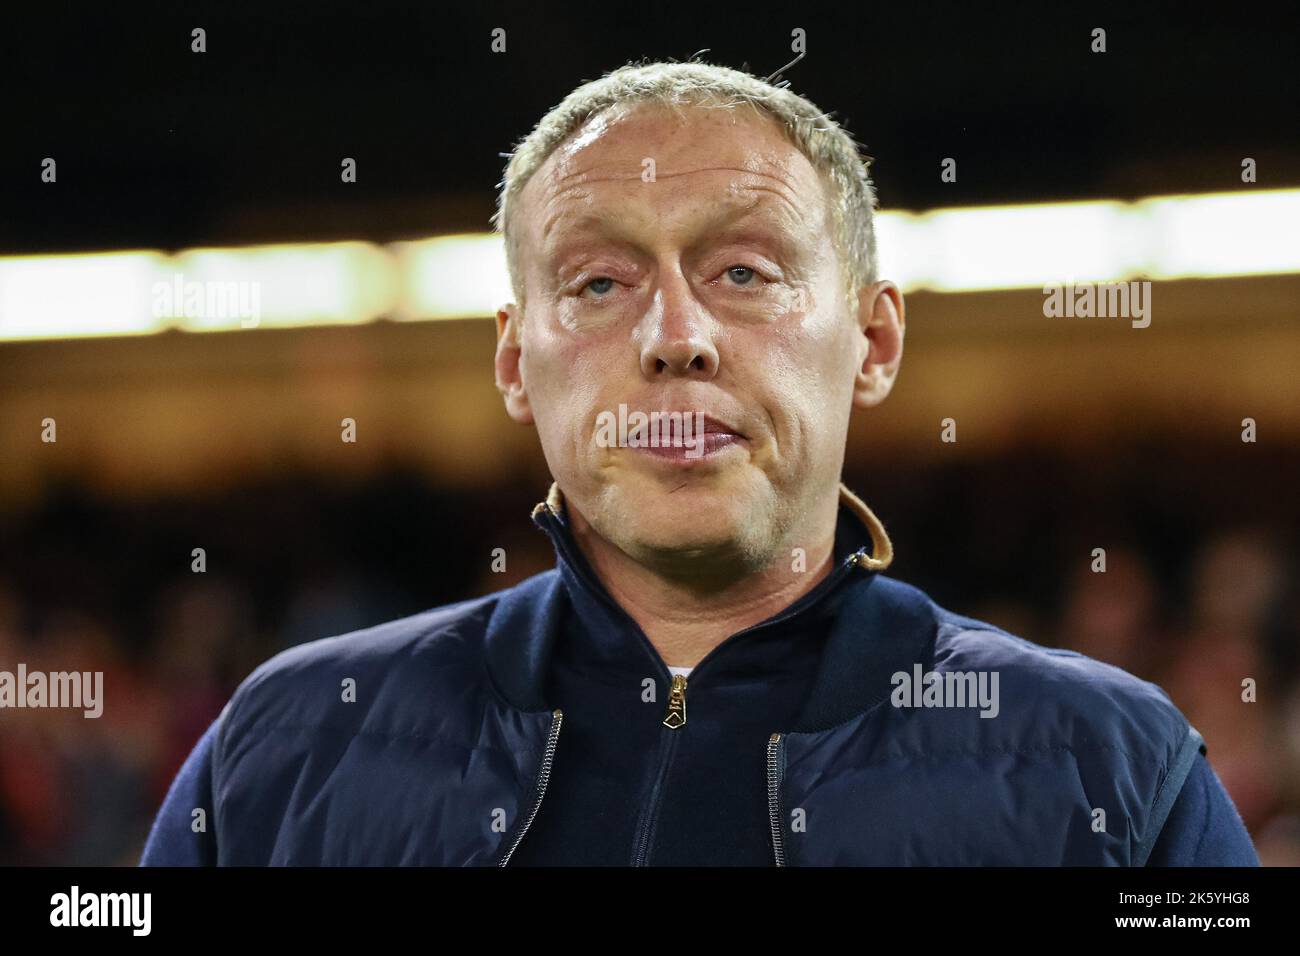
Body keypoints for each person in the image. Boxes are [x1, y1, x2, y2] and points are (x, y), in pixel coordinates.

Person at [141, 60, 1258, 866]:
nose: (674, 334)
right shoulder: (287, 747)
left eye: (742, 271)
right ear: (514, 361)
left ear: (873, 341)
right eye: (596, 283)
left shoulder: (1112, 767)